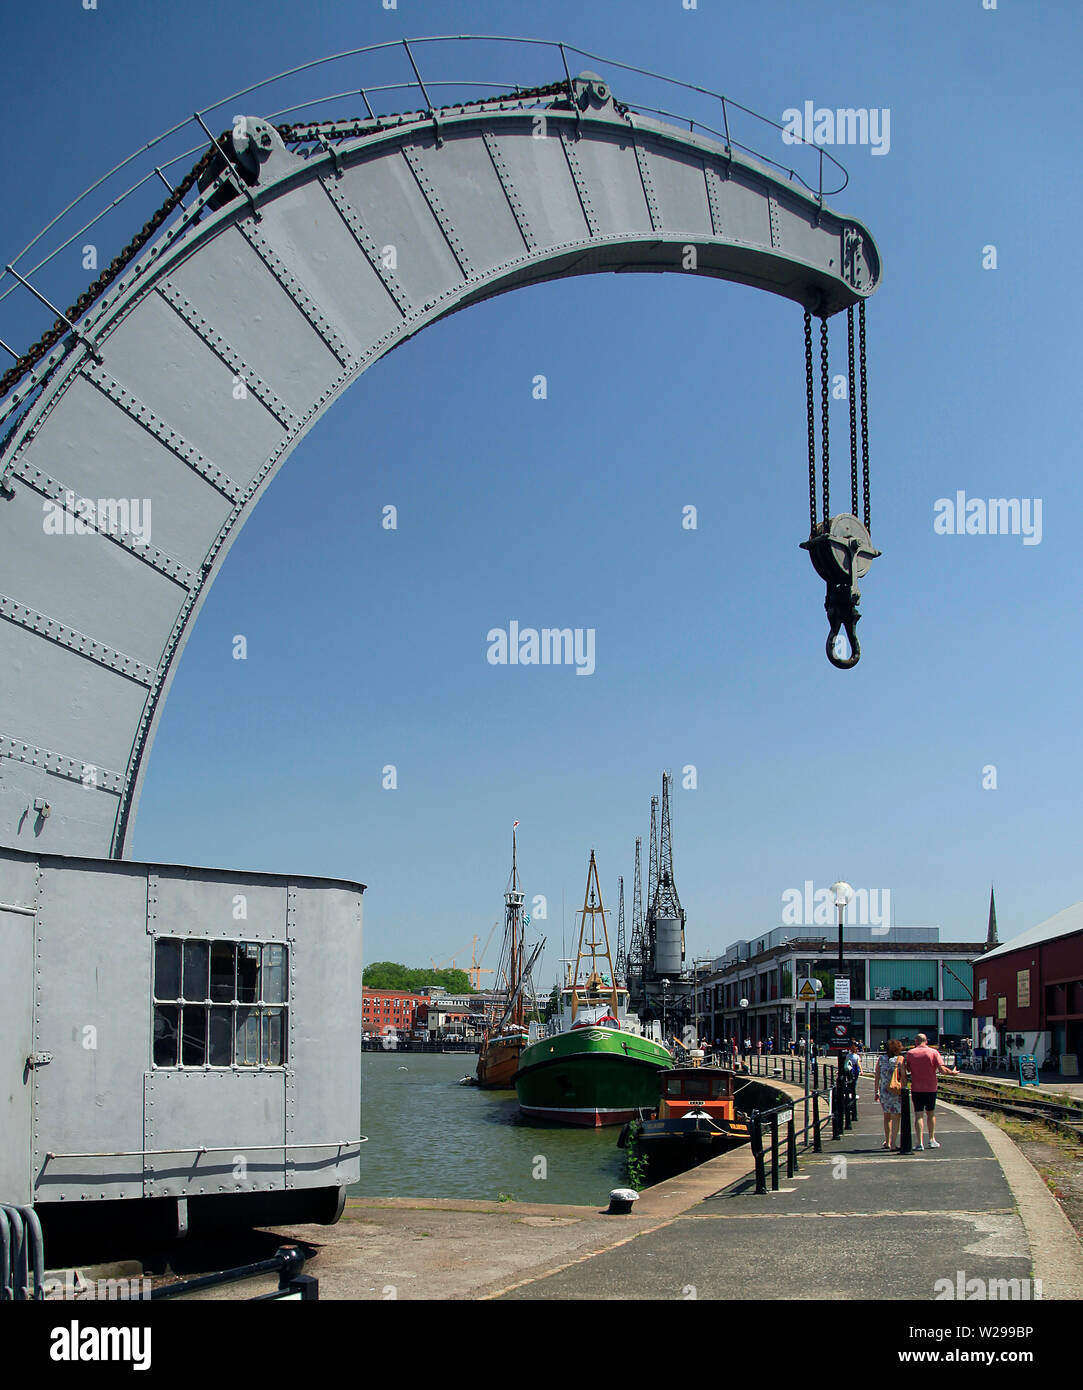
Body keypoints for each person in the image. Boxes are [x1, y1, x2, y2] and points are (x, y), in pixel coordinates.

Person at [904, 1033, 958, 1150]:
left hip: (916, 1088)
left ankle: (919, 1142)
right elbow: (942, 1069)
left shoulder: (911, 1053)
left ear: (916, 1041)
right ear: (926, 1041)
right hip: (930, 1088)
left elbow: (907, 1068)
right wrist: (952, 1073)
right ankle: (932, 1139)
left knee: (918, 1115)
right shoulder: (933, 1052)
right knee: (931, 1114)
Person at [874, 1038, 904, 1148]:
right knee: (896, 1117)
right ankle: (894, 1143)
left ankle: (887, 1141)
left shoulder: (881, 1059)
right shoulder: (899, 1060)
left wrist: (876, 1091)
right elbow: (903, 1076)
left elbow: (877, 1076)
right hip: (895, 1091)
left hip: (884, 1091)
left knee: (887, 1117)